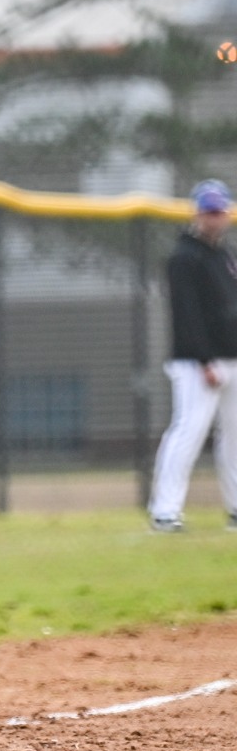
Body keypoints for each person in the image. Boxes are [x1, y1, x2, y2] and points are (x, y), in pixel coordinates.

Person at [147, 179, 237, 533]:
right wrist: (204, 360)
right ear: (197, 213)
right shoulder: (183, 257)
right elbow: (186, 316)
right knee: (189, 432)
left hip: (232, 357)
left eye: (219, 211)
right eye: (209, 211)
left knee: (234, 437)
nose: (214, 217)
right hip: (197, 363)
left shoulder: (224, 255)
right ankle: (165, 511)